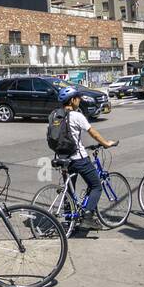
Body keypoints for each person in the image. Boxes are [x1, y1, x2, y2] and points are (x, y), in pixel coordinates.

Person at [54, 86, 116, 232]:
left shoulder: (55, 115)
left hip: (63, 158)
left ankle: (70, 220)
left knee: (69, 190)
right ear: (72, 100)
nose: (80, 99)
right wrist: (106, 143)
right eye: (78, 97)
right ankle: (87, 217)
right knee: (96, 186)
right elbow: (93, 132)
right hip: (78, 158)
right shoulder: (76, 116)